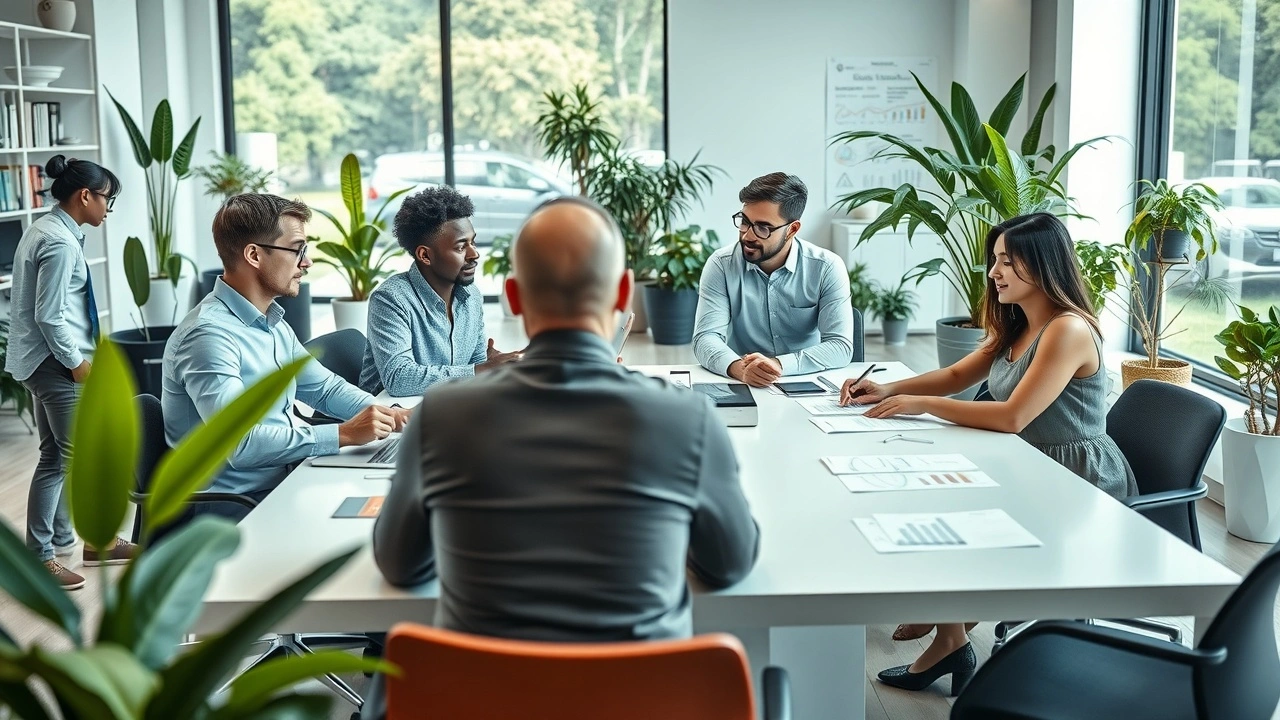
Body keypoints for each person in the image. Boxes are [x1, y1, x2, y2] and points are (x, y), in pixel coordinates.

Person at [373, 196, 760, 641]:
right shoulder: (688, 418)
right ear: (623, 292)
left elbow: (401, 566)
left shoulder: (440, 419)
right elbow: (729, 565)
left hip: (486, 684)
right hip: (644, 682)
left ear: (513, 297)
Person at [838, 212, 1138, 693]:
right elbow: (958, 375)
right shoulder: (1018, 322)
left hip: (1076, 478)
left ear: (1043, 266)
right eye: (994, 260)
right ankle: (952, 629)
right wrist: (890, 389)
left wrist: (921, 405)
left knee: (949, 511)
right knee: (925, 495)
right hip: (1026, 461)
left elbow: (1013, 416)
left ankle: (950, 625)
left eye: (1007, 262)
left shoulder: (1067, 329)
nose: (994, 272)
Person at [163, 194, 412, 521]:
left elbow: (324, 389)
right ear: (254, 255)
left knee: (399, 503)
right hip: (229, 510)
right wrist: (345, 433)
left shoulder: (270, 321)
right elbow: (240, 443)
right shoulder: (208, 336)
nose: (307, 262)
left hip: (281, 483)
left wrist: (393, 416)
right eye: (297, 250)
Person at [4, 155, 133, 589]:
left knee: (56, 455)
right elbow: (49, 315)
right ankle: (43, 558)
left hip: (40, 360)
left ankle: (71, 541)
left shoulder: (46, 228)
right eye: (107, 199)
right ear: (85, 196)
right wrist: (77, 364)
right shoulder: (58, 242)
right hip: (56, 363)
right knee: (74, 459)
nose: (108, 208)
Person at [692, 172, 854, 387]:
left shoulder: (826, 267)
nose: (747, 235)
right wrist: (740, 370)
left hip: (806, 380)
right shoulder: (721, 265)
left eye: (763, 228)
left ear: (792, 229)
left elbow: (840, 346)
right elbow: (705, 338)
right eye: (744, 222)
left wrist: (778, 365)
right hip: (743, 383)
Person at [358, 186, 521, 396]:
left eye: (473, 242)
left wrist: (494, 365)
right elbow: (398, 378)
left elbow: (476, 365)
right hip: (387, 411)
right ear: (425, 255)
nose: (474, 254)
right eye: (461, 247)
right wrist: (481, 369)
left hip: (443, 403)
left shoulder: (471, 296)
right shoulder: (391, 299)